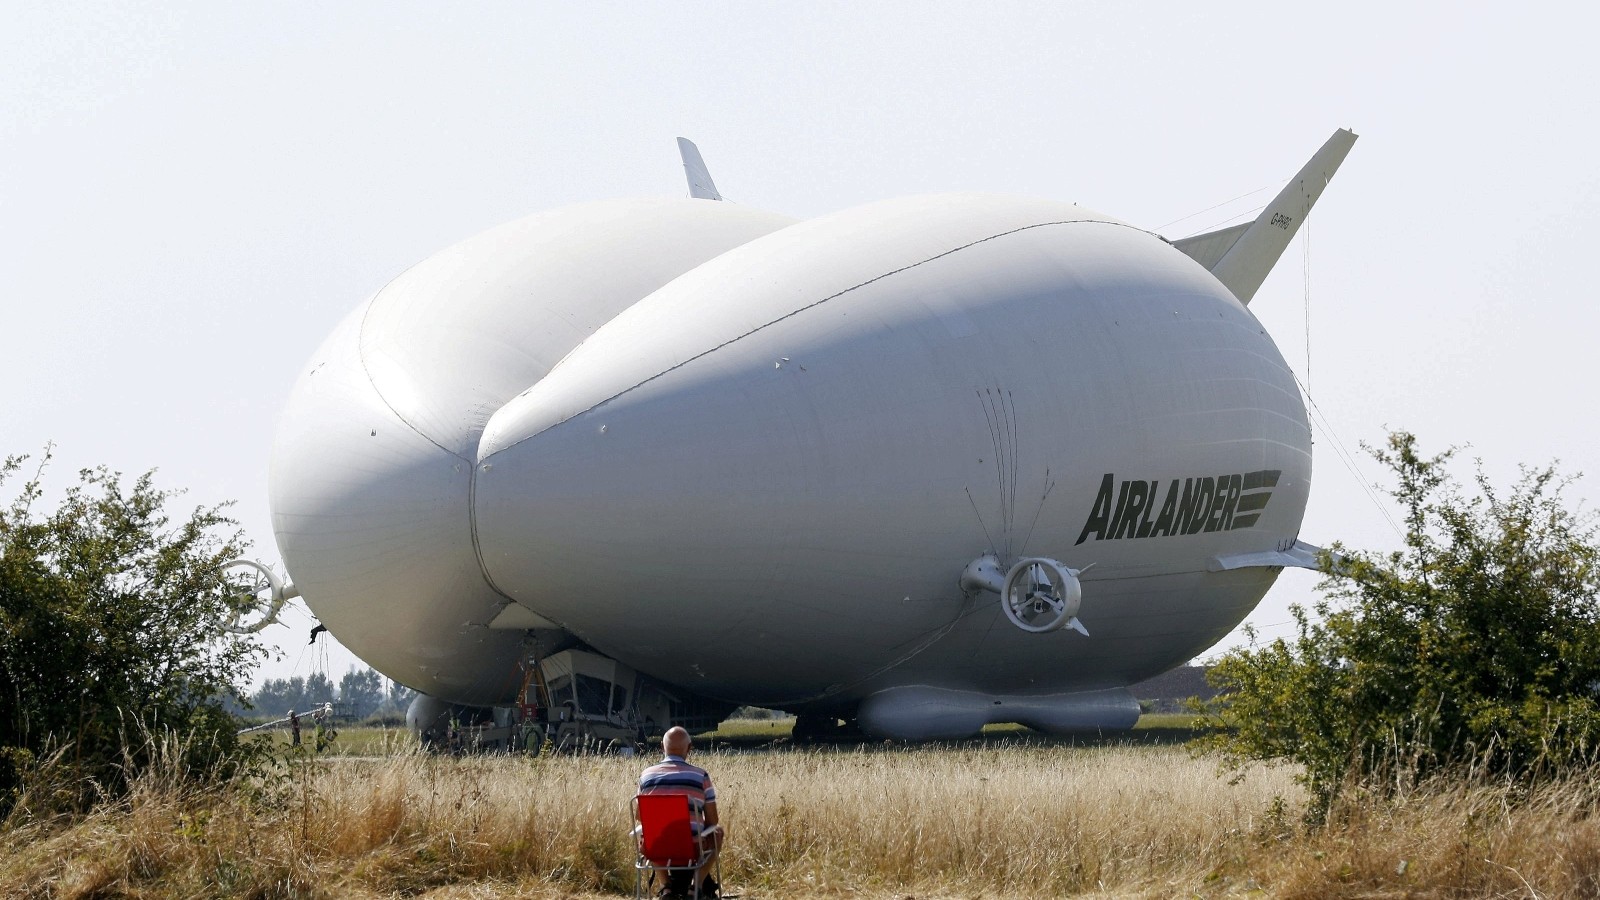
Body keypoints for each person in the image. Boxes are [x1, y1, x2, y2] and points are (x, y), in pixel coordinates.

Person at [638, 726, 722, 899]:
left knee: (652, 834)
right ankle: (695, 887)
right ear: (689, 748)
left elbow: (640, 816)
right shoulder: (700, 776)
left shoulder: (646, 776)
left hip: (655, 848)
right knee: (718, 833)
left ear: (662, 747)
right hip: (693, 847)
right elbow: (713, 820)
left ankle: (665, 887)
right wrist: (700, 832)